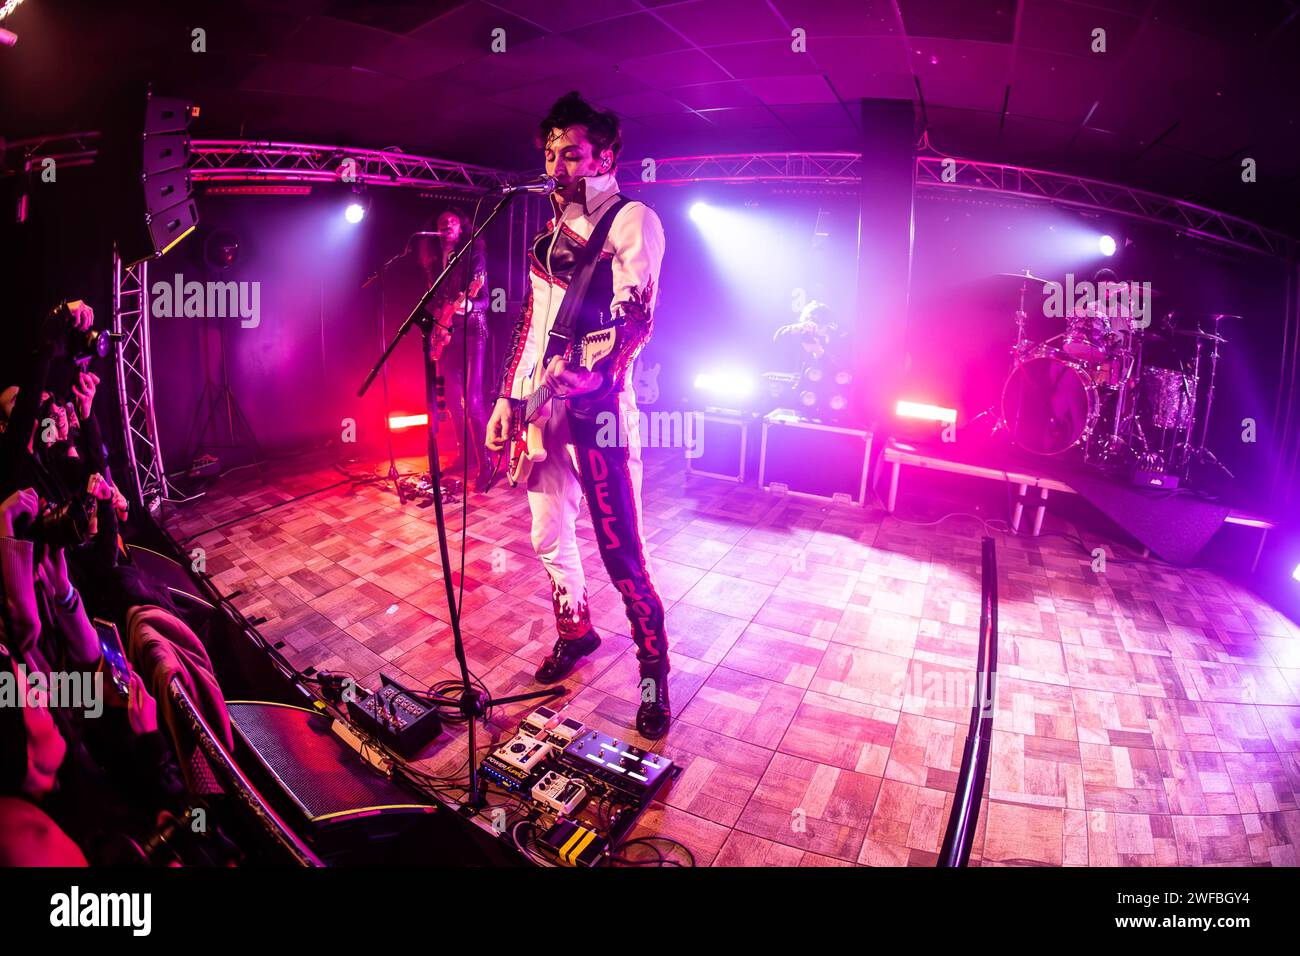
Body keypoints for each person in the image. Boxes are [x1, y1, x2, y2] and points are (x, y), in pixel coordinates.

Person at [485, 91, 671, 739]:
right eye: (549, 152)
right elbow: (534, 328)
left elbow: (637, 316)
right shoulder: (545, 241)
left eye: (571, 153)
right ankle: (577, 630)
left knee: (623, 552)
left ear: (606, 157)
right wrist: (511, 400)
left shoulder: (631, 220)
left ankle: (654, 673)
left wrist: (598, 368)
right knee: (545, 535)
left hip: (601, 409)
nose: (556, 164)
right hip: (544, 410)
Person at [419, 207, 493, 492]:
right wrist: (437, 319)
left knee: (473, 401)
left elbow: (484, 298)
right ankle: (466, 455)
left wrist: (469, 304)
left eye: (452, 221)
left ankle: (486, 464)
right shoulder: (435, 263)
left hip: (473, 330)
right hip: (448, 333)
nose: (447, 225)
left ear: (461, 228)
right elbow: (436, 298)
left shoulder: (473, 254)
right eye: (441, 221)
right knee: (451, 398)